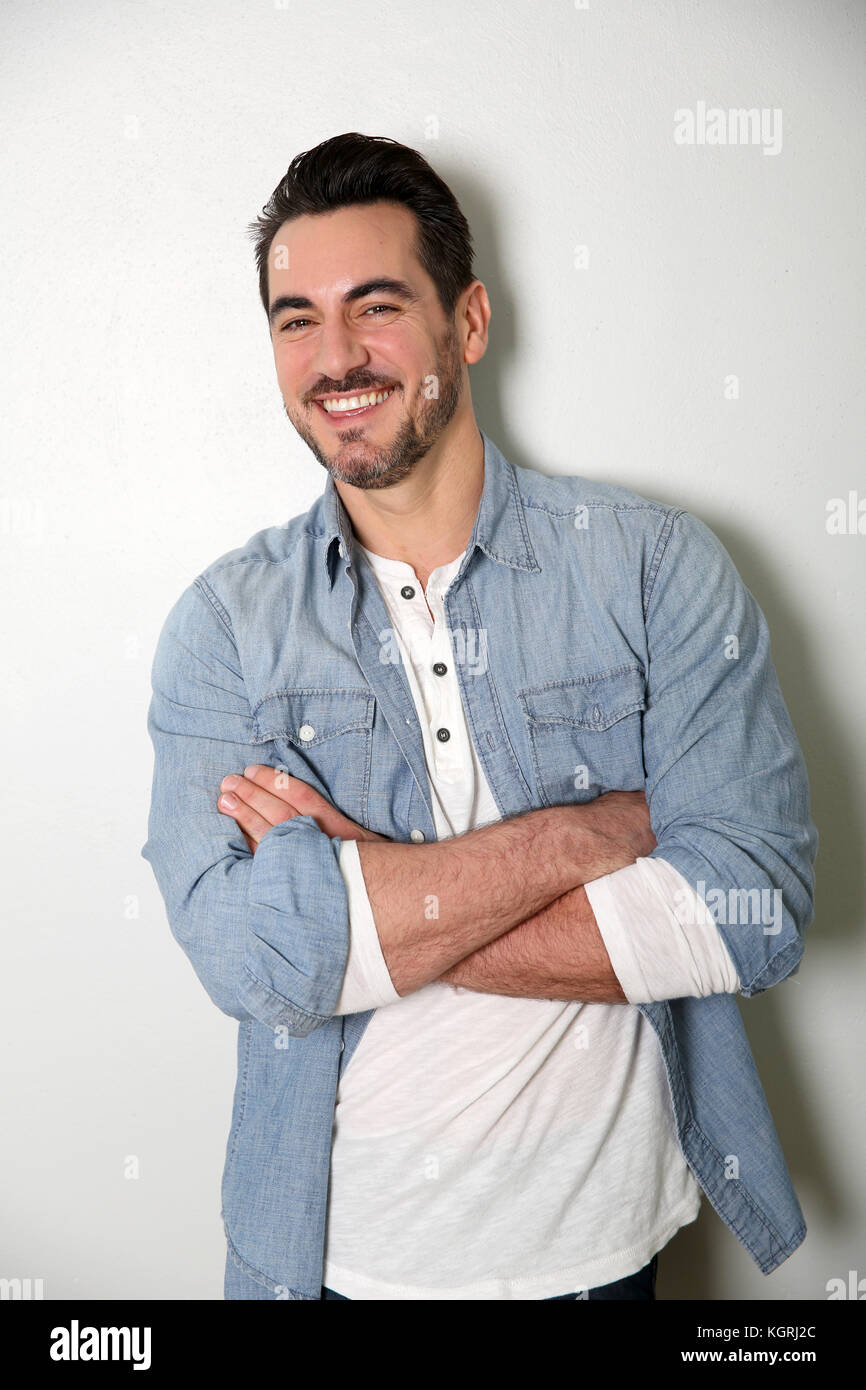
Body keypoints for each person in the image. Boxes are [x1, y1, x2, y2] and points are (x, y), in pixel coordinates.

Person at [141, 133, 818, 1301]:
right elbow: (251, 962)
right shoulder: (223, 629)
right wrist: (588, 833)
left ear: (469, 323)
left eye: (375, 305)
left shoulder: (654, 569)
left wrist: (374, 904)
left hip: (610, 1254)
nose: (334, 355)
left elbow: (749, 910)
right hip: (338, 1264)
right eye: (294, 317)